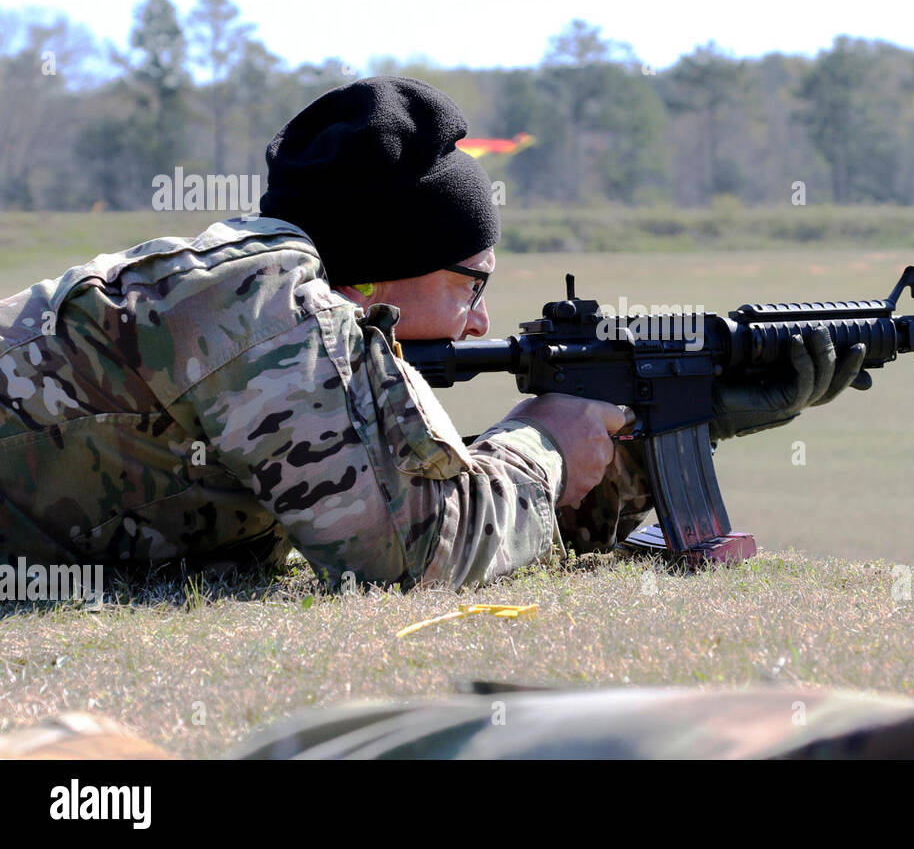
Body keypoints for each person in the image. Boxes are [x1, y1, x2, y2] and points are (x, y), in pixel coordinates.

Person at [0, 76, 859, 589]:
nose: (482, 318)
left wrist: (672, 424)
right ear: (368, 274)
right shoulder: (259, 308)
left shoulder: (275, 312)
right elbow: (411, 551)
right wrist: (543, 439)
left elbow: (440, 505)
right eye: (469, 283)